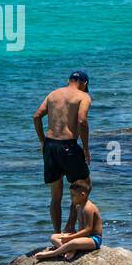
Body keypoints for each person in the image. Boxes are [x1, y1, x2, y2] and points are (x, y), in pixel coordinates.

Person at [33, 70, 92, 232]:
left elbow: (36, 116)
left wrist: (42, 141)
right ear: (84, 83)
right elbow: (82, 121)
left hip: (50, 146)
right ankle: (70, 227)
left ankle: (57, 234)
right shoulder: (83, 96)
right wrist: (86, 148)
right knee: (84, 186)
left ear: (69, 80)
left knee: (56, 195)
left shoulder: (53, 94)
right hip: (68, 146)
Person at [35, 180, 103, 261]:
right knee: (54, 237)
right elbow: (81, 228)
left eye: (73, 195)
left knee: (73, 242)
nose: (71, 198)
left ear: (83, 195)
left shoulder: (88, 208)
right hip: (83, 237)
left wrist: (70, 238)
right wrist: (70, 237)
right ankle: (69, 250)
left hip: (93, 239)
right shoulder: (79, 207)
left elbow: (88, 230)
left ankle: (52, 253)